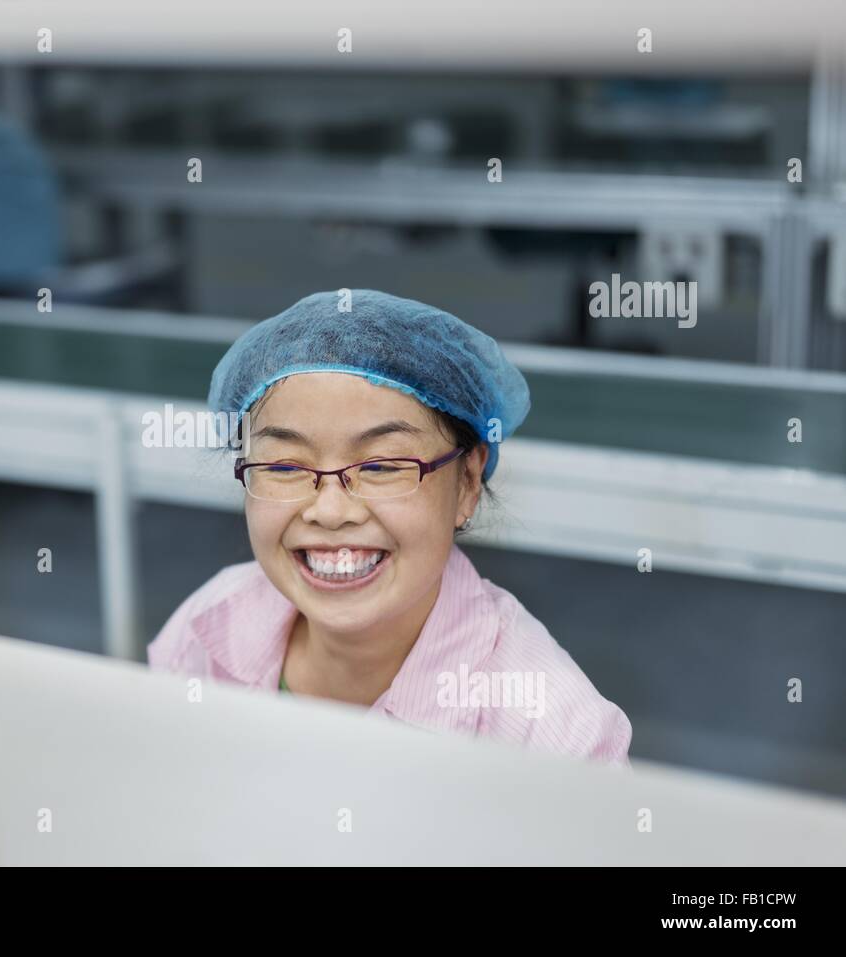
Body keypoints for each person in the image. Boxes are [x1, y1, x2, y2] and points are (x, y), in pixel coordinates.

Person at [147, 289, 631, 766]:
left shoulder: (556, 735)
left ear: (466, 482)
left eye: (380, 466)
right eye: (285, 466)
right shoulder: (207, 627)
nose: (331, 511)